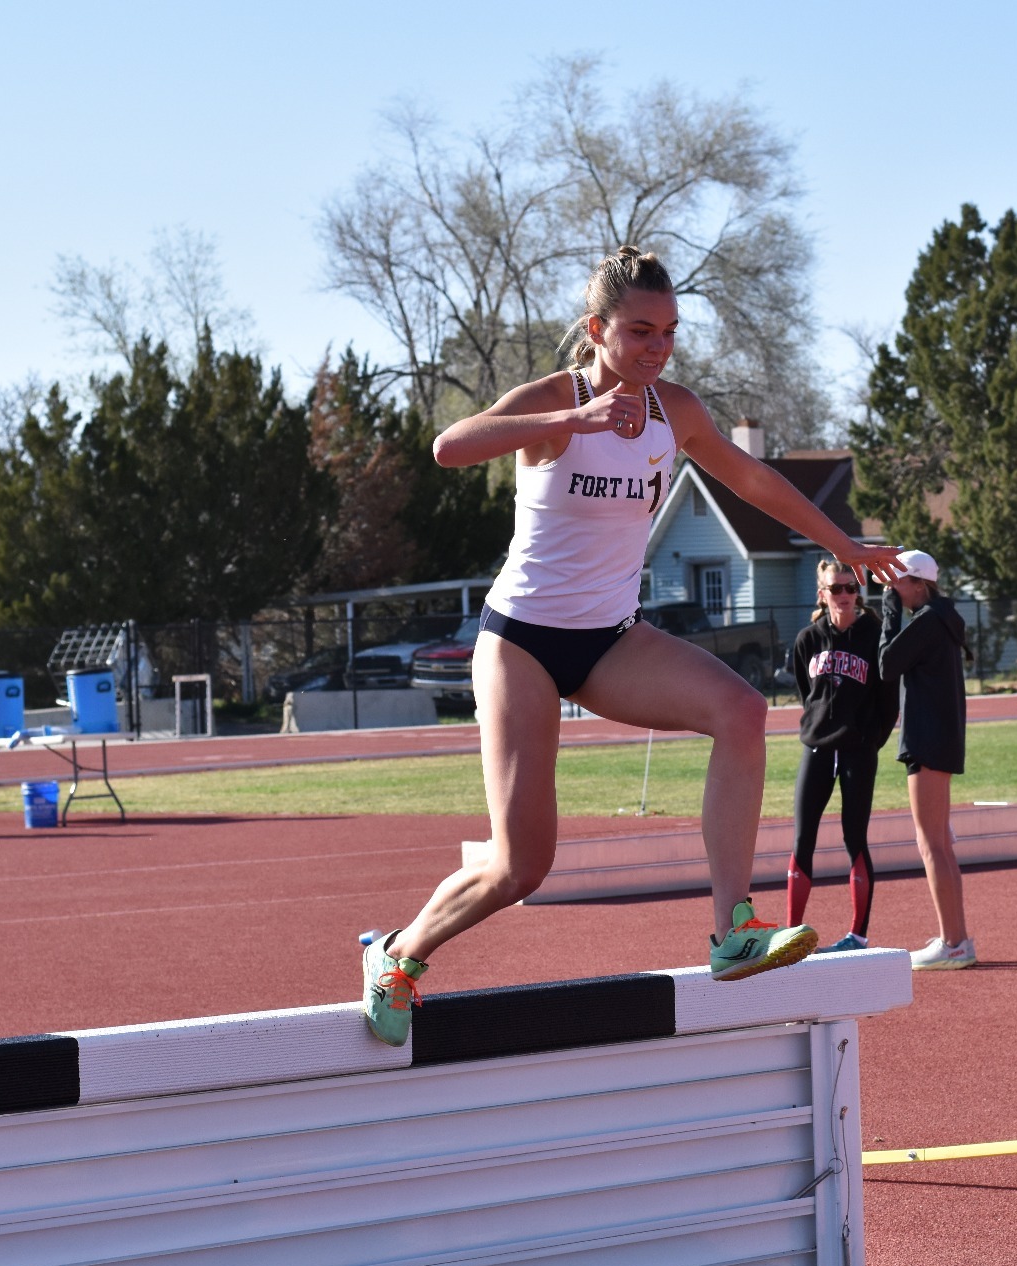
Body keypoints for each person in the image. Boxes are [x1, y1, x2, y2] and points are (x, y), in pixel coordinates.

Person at [357, 246, 904, 1045]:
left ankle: (732, 931)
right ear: (598, 331)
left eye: (670, 332)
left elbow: (752, 480)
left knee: (742, 711)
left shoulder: (673, 411)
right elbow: (450, 445)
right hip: (523, 645)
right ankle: (400, 955)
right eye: (640, 331)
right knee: (521, 865)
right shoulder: (561, 396)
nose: (657, 348)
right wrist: (568, 421)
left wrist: (844, 542)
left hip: (611, 639)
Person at [787, 558, 898, 952]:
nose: (846, 596)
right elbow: (807, 692)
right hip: (817, 747)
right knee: (804, 839)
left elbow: (888, 702)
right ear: (823, 594)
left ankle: (857, 935)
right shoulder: (807, 640)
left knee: (855, 837)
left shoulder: (875, 635)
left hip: (858, 751)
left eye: (852, 588)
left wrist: (869, 741)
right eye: (837, 589)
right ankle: (792, 933)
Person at [878, 550, 975, 970]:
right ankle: (956, 939)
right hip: (939, 738)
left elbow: (886, 664)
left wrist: (887, 614)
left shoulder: (929, 621)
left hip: (928, 740)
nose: (891, 588)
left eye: (897, 582)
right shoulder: (940, 620)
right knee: (939, 844)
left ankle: (953, 942)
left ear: (919, 584)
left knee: (932, 843)